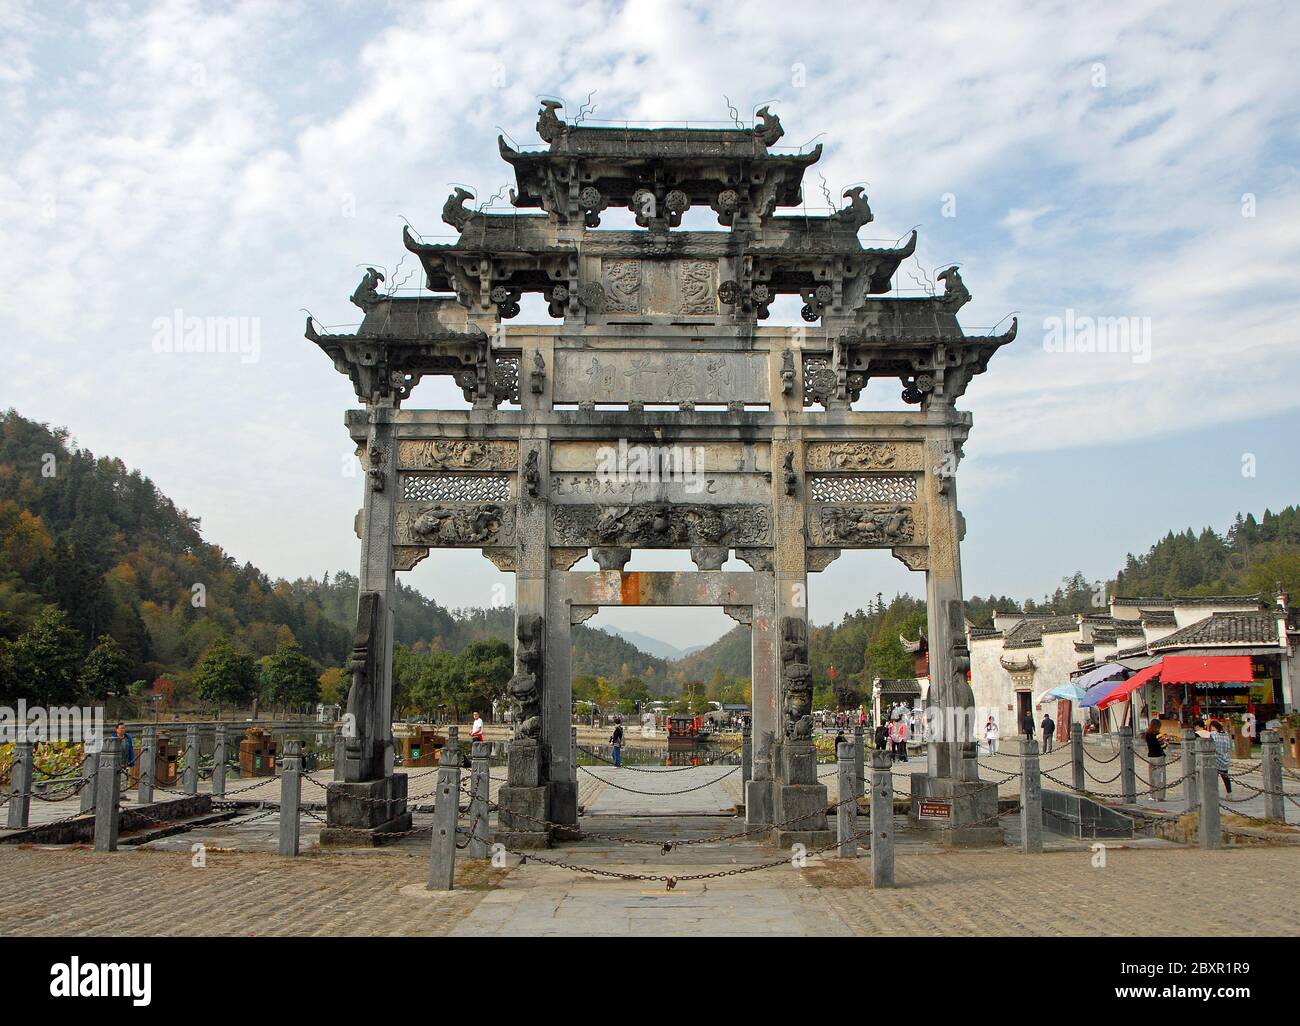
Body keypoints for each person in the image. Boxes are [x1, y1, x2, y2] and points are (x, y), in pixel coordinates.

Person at [1209, 720, 1232, 793]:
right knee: (1225, 778)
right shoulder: (1226, 735)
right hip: (1224, 758)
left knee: (1213, 778)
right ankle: (1229, 792)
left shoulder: (1212, 734)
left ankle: (1214, 792)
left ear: (1213, 727)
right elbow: (1228, 746)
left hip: (1215, 758)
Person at [114, 721, 135, 791]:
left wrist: (132, 762)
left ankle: (122, 794)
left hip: (125, 762)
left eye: (124, 728)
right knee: (115, 779)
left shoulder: (128, 738)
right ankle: (116, 794)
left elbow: (130, 750)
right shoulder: (113, 739)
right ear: (116, 729)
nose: (123, 730)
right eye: (121, 728)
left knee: (124, 779)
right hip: (116, 763)